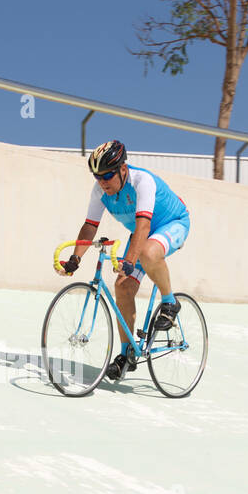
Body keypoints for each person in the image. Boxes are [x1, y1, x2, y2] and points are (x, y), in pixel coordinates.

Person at [59, 140, 191, 380]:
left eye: (107, 175)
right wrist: (74, 260)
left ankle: (170, 303)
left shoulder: (142, 182)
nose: (102, 181)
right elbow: (90, 226)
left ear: (122, 169)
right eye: (97, 176)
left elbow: (143, 225)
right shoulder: (100, 191)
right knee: (123, 286)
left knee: (148, 252)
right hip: (143, 232)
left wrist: (129, 260)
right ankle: (126, 354)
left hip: (172, 223)